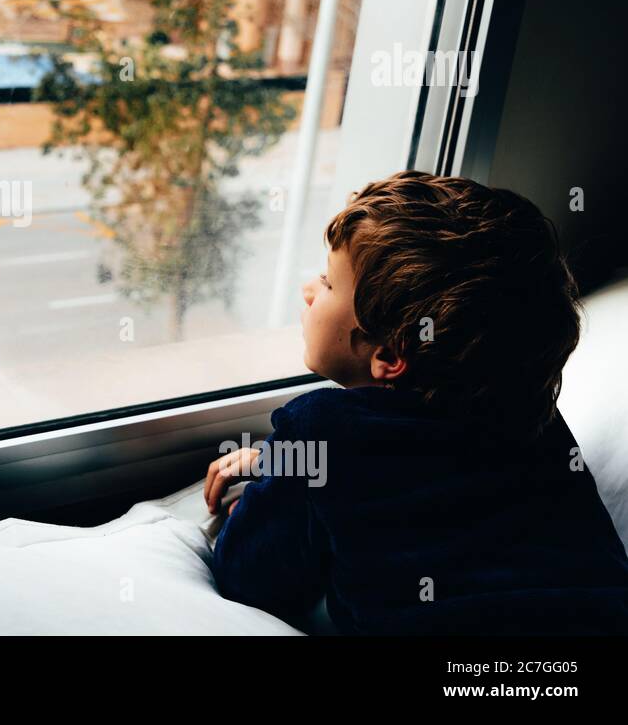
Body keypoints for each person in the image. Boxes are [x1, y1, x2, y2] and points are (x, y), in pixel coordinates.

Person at [206, 171, 628, 633]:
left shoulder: (320, 430)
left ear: (387, 354)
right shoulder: (534, 418)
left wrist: (273, 484)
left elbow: (248, 577)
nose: (309, 290)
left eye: (328, 284)